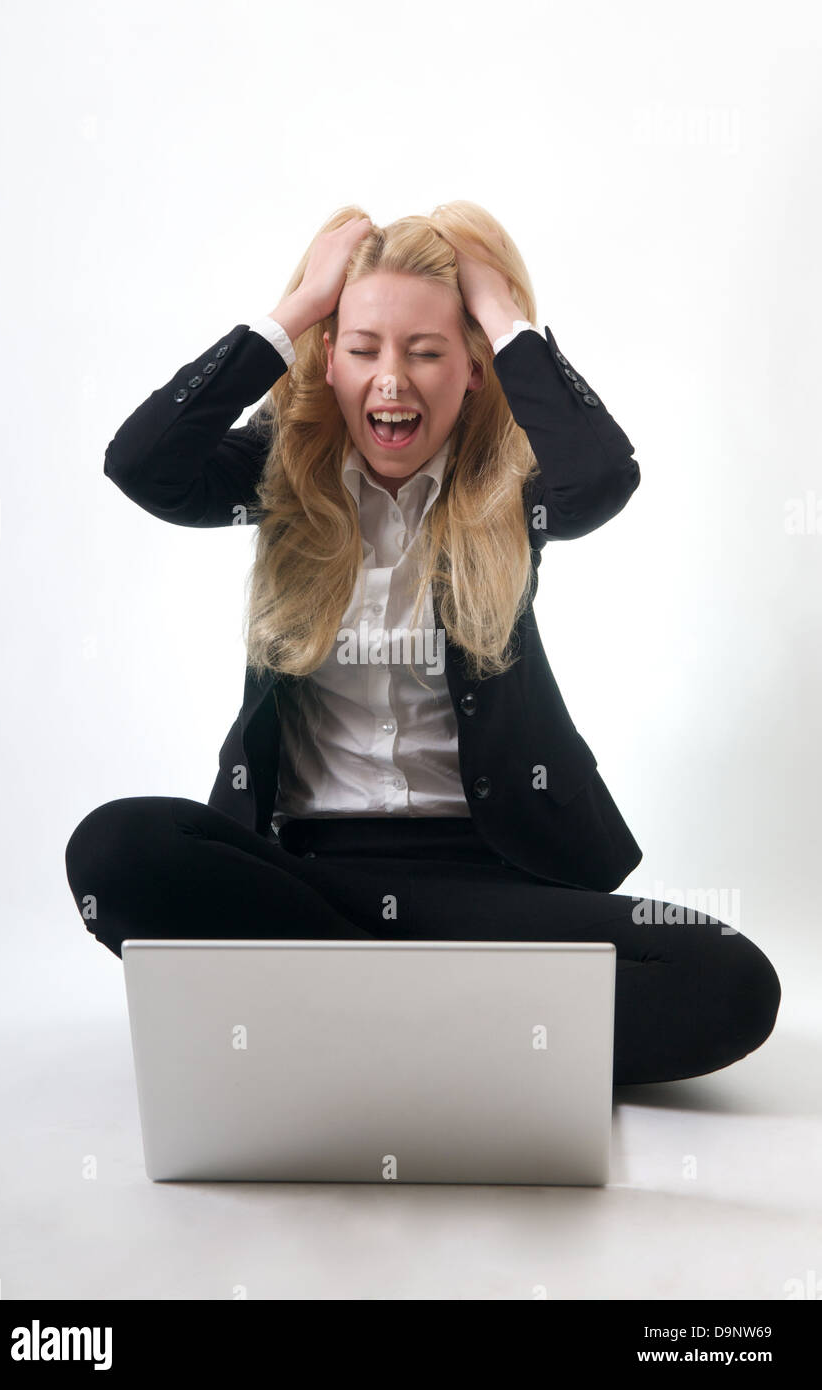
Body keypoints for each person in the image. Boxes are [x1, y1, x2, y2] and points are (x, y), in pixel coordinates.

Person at [64, 202, 781, 1086]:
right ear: (327, 360)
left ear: (475, 366)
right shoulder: (273, 476)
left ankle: (342, 1019)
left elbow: (602, 475)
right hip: (300, 879)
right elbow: (142, 464)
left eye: (428, 351)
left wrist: (502, 313)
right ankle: (458, 1031)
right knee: (117, 848)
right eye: (363, 348)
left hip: (491, 881)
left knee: (725, 979)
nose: (391, 382)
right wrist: (291, 312)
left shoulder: (513, 492)